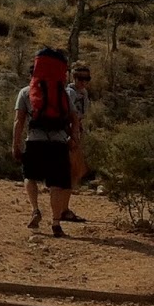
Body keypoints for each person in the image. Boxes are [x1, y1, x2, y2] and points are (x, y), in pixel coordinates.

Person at [12, 49, 80, 237]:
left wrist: (15, 145)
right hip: (58, 144)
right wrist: (74, 138)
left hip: (35, 141)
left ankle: (35, 209)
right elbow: (75, 118)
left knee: (30, 176)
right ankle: (56, 223)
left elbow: (19, 121)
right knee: (57, 184)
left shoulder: (25, 92)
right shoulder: (63, 94)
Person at [61, 62, 92, 222]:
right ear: (73, 77)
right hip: (69, 134)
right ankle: (62, 209)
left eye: (87, 78)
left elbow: (82, 115)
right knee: (71, 171)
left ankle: (63, 207)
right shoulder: (69, 93)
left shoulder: (83, 93)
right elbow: (67, 116)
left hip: (77, 132)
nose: (83, 82)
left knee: (76, 171)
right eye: (80, 78)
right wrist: (71, 135)